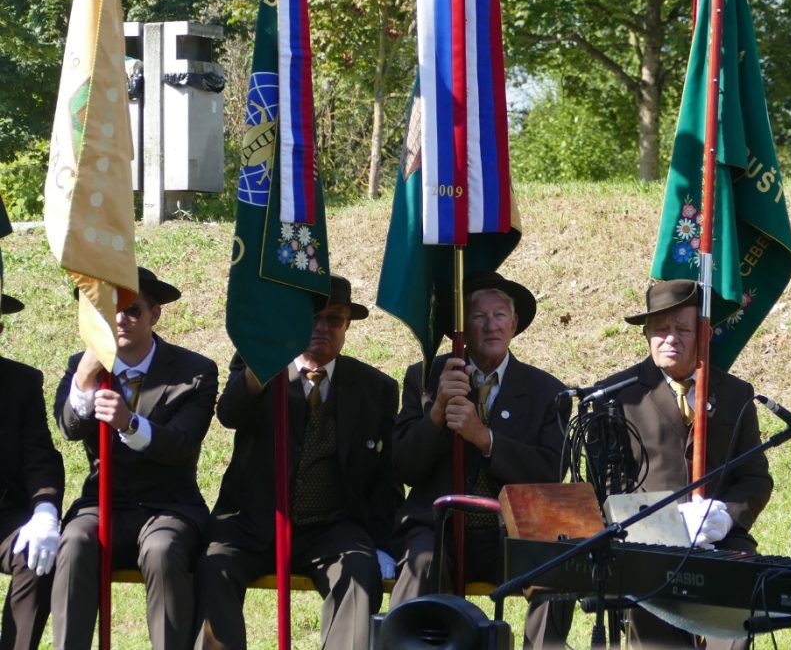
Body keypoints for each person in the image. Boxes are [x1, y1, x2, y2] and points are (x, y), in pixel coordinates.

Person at [195, 276, 402, 650]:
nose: (321, 328)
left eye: (333, 319)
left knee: (358, 572)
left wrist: (383, 543)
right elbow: (229, 413)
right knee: (214, 566)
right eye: (310, 318)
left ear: (347, 326)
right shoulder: (258, 366)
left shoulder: (376, 388)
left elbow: (385, 475)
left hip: (332, 527)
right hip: (253, 522)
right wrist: (260, 373)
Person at [389, 269, 570, 648]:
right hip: (439, 530)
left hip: (511, 532)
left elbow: (551, 472)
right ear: (462, 328)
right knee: (421, 566)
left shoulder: (546, 391)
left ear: (515, 323)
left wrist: (485, 439)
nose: (491, 326)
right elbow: (404, 465)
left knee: (557, 569)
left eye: (500, 315)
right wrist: (436, 412)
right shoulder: (424, 378)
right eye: (478, 316)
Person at [594, 278, 774, 650]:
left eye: (681, 329)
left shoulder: (735, 394)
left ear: (703, 333)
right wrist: (663, 525)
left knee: (735, 617)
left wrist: (724, 514)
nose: (670, 339)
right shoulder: (617, 396)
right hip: (648, 546)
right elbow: (608, 489)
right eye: (660, 330)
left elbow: (755, 478)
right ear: (646, 334)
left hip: (721, 541)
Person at [51, 267, 219, 650]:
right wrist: (84, 382)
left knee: (162, 551)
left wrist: (129, 424)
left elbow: (181, 445)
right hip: (103, 503)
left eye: (132, 311)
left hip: (168, 505)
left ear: (155, 314)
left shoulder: (194, 372)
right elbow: (68, 427)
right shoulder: (84, 365)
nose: (120, 321)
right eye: (110, 312)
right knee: (74, 541)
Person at [0, 291, 66, 650]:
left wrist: (44, 512)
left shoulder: (20, 383)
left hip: (4, 514)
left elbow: (39, 455)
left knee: (35, 554)